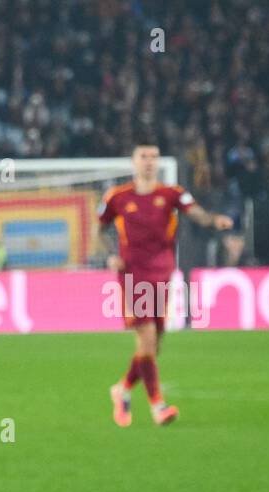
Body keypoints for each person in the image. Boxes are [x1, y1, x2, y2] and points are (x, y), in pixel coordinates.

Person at [99, 143, 231, 427]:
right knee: (146, 338)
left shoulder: (171, 194)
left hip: (162, 273)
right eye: (143, 156)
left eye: (153, 157)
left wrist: (213, 220)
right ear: (133, 162)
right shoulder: (117, 197)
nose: (148, 161)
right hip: (133, 275)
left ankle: (121, 389)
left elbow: (196, 212)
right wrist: (111, 254)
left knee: (153, 347)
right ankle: (158, 406)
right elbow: (100, 228)